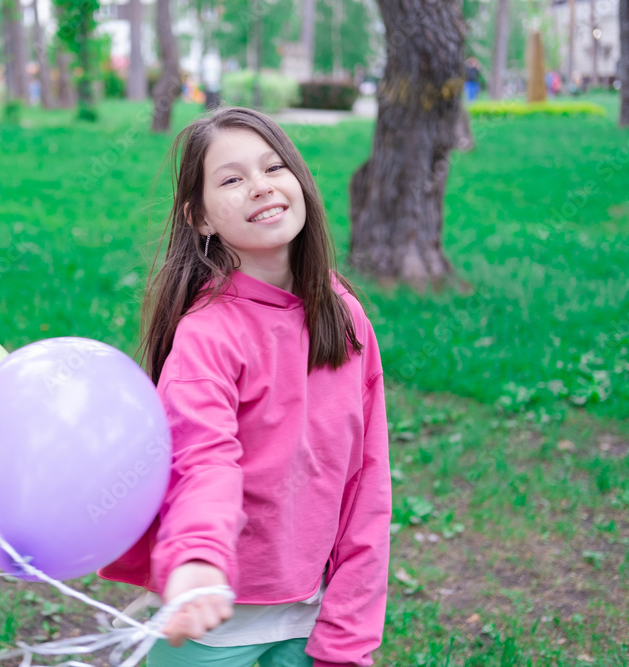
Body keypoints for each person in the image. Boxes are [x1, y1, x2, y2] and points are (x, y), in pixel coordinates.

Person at [98, 106, 392, 667]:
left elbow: (367, 483)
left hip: (315, 616)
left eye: (273, 167)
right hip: (211, 623)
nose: (259, 187)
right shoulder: (207, 335)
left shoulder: (346, 318)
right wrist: (200, 562)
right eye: (232, 179)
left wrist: (349, 629)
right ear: (200, 217)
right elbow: (201, 460)